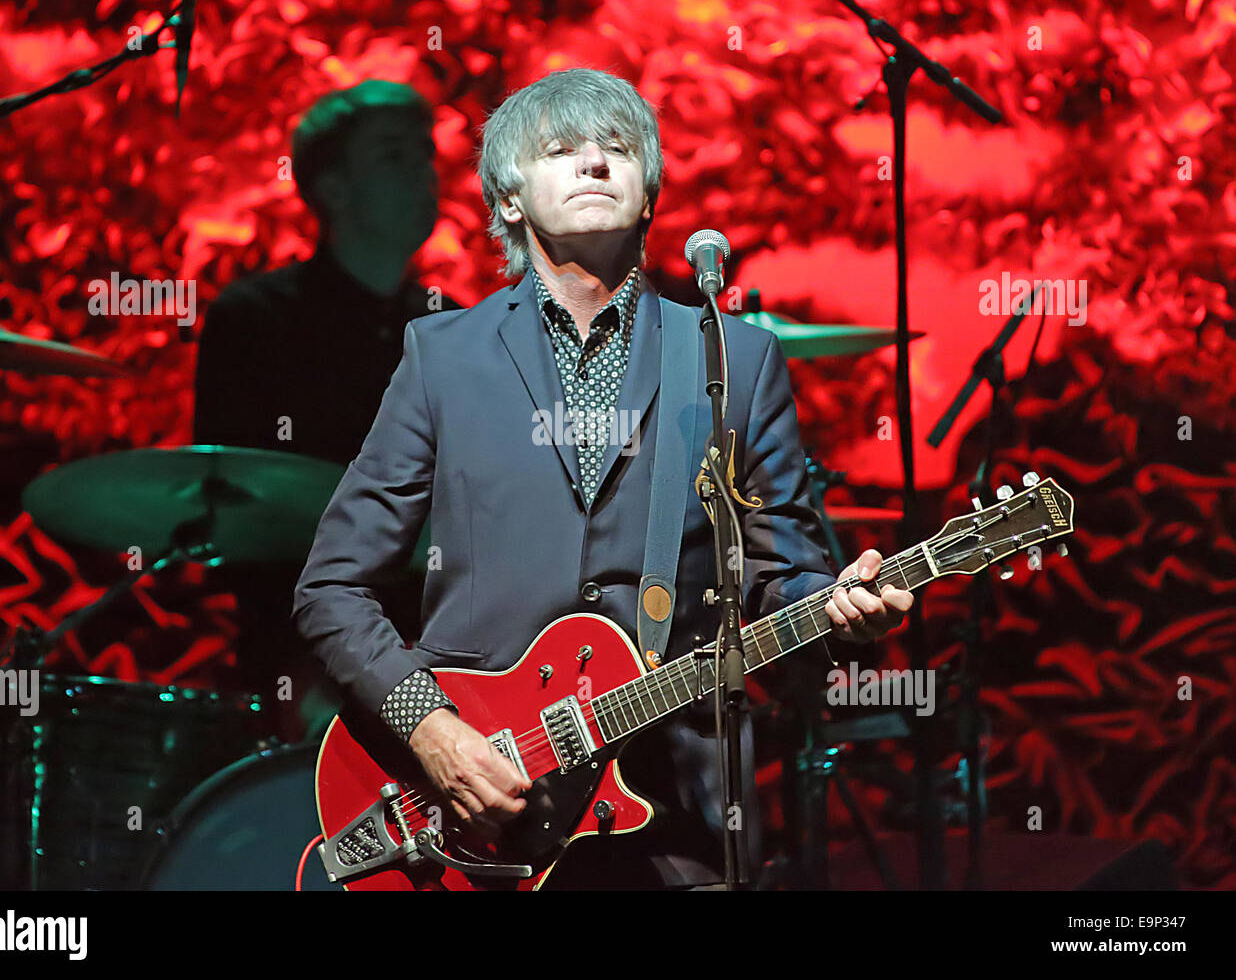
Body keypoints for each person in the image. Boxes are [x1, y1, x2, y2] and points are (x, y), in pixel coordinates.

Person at [292, 68, 914, 886]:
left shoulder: (735, 358)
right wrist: (434, 731)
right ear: (509, 202)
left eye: (617, 149)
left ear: (649, 196)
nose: (594, 163)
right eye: (561, 150)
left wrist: (837, 612)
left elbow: (778, 578)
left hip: (677, 814)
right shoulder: (443, 357)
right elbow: (332, 588)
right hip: (476, 816)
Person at [194, 79, 460, 742]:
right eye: (396, 156)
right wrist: (303, 664)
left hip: (448, 660)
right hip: (302, 660)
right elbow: (243, 520)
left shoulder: (453, 329)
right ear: (333, 188)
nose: (426, 173)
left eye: (427, 155)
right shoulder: (255, 321)